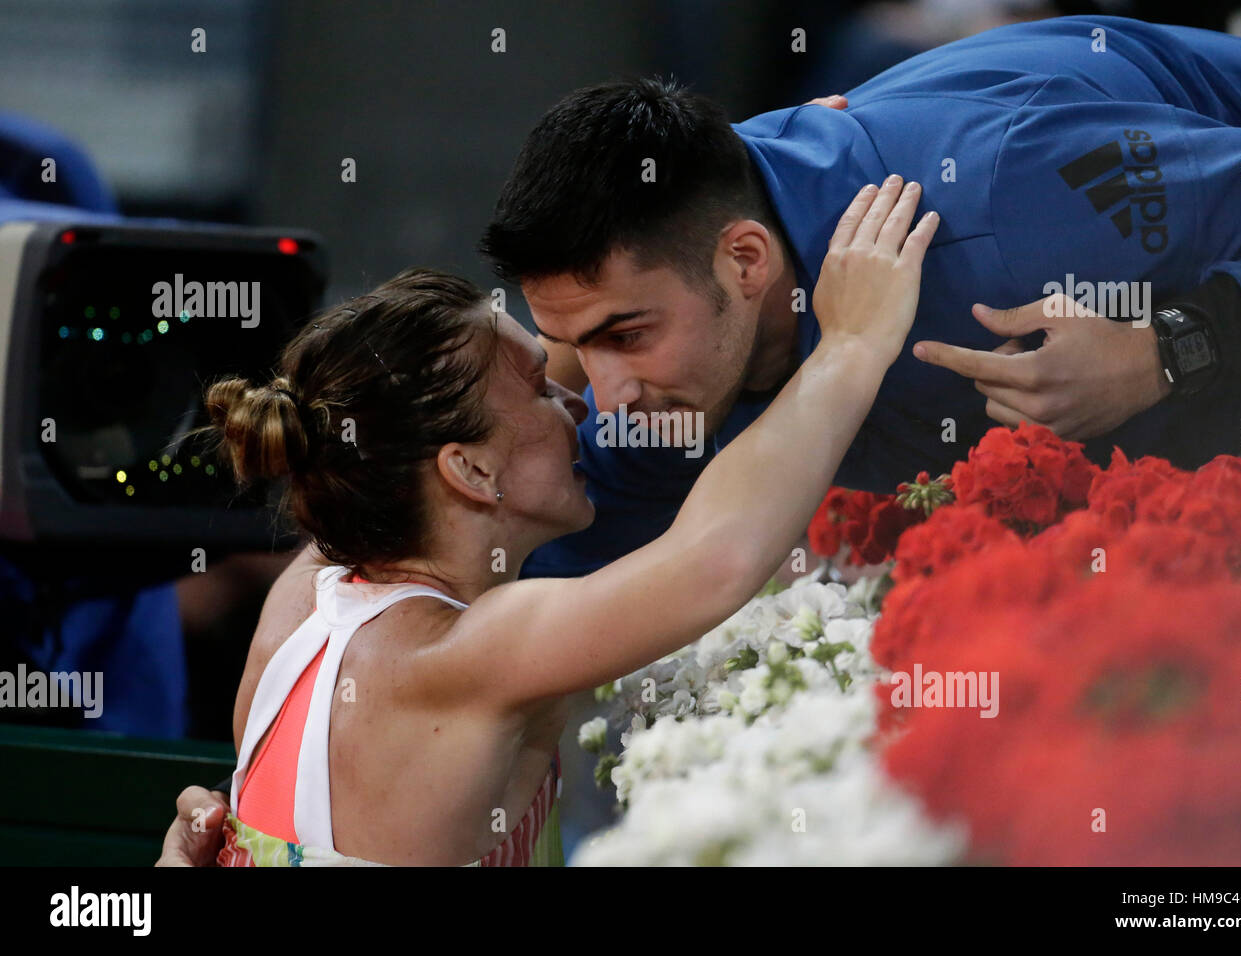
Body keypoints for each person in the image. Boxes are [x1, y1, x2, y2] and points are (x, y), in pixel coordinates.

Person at [158, 179, 938, 866]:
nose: (582, 402)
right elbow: (716, 559)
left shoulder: (300, 603)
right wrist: (854, 345)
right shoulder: (467, 652)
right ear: (468, 470)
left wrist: (735, 174)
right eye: (540, 387)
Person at [478, 15, 1241, 580]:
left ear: (747, 262)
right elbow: (560, 556)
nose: (608, 397)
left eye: (622, 336)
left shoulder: (1007, 203)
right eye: (576, 346)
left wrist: (1169, 349)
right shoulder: (693, 282)